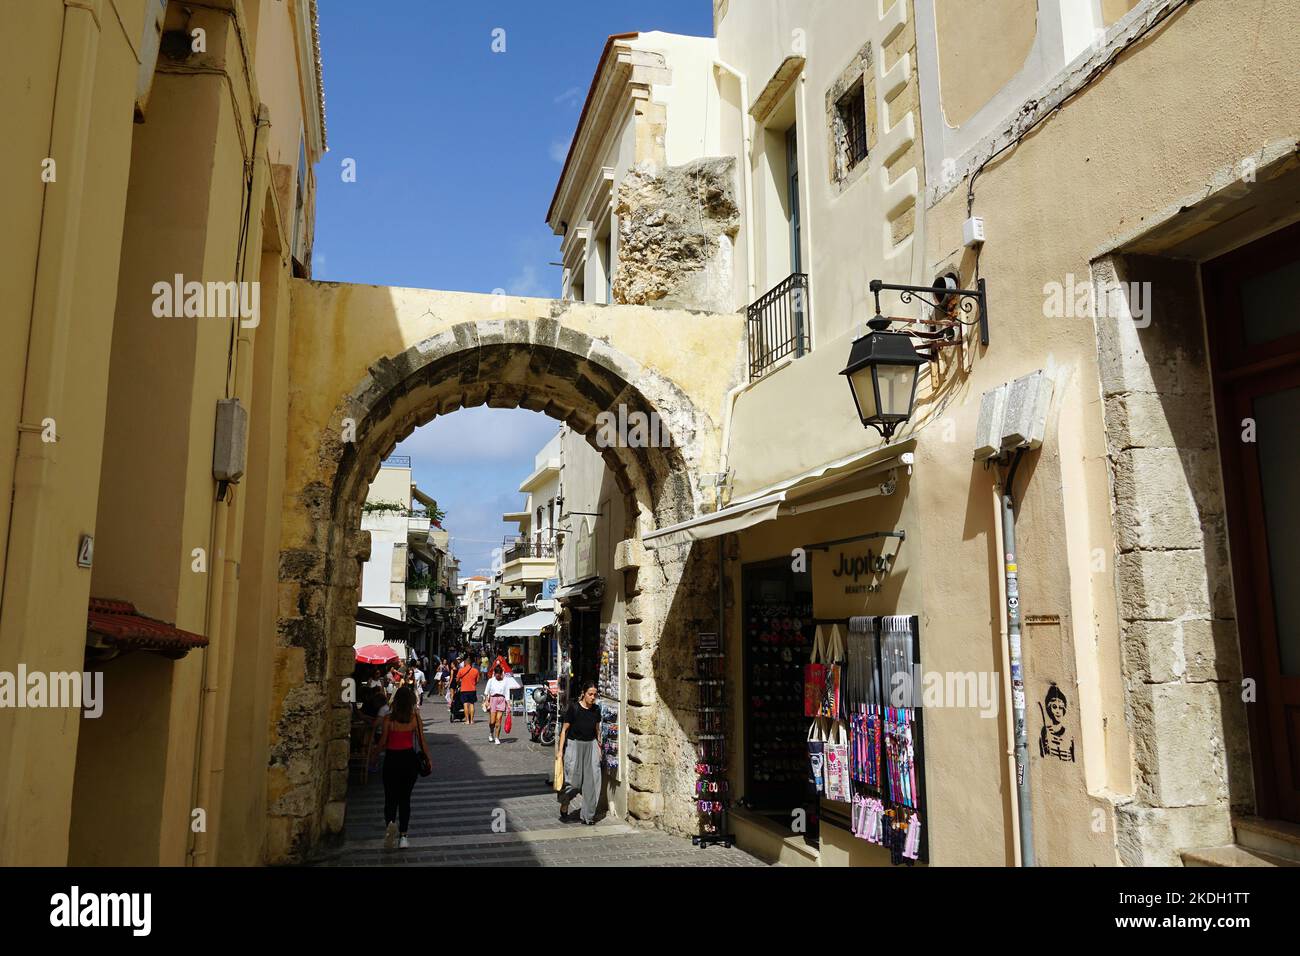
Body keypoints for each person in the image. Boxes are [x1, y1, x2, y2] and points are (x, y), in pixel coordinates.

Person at [372, 685, 428, 850]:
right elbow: (422, 741)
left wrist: (373, 755)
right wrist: (429, 759)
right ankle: (403, 836)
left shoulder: (388, 719)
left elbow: (383, 742)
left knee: (390, 799)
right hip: (409, 761)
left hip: (392, 760)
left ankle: (390, 825)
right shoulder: (414, 718)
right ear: (410, 701)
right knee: (405, 799)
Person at [557, 681, 602, 825]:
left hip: (591, 746)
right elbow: (564, 730)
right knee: (574, 783)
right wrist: (560, 752)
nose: (593, 697)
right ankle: (565, 801)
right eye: (590, 694)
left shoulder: (596, 710)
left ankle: (588, 816)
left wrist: (599, 746)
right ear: (583, 693)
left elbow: (597, 729)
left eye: (595, 694)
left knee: (592, 782)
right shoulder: (574, 708)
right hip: (574, 745)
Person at [484, 665, 511, 745]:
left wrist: (508, 704)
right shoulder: (491, 681)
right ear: (494, 673)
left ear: (501, 673)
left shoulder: (505, 681)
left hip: (501, 700)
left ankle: (497, 737)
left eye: (499, 674)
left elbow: (507, 693)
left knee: (498, 720)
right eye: (496, 674)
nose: (498, 676)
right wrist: (486, 701)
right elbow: (486, 692)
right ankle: (491, 733)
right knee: (492, 721)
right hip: (493, 700)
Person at [456, 657, 480, 725]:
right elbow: (477, 680)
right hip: (472, 689)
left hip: (464, 689)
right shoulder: (475, 670)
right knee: (472, 704)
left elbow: (457, 680)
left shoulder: (461, 670)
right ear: (471, 663)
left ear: (465, 663)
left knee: (465, 704)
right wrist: (473, 683)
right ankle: (472, 720)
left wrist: (461, 682)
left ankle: (467, 720)